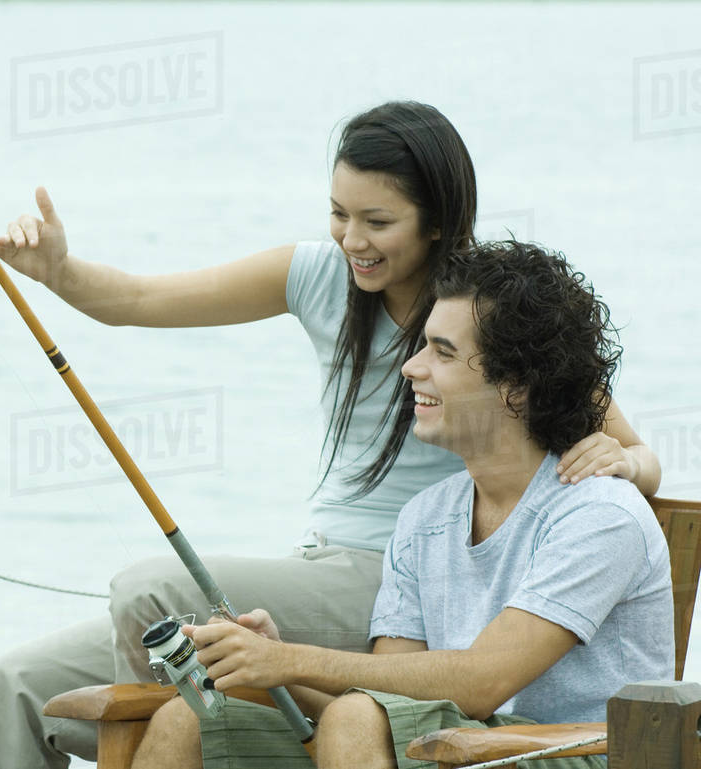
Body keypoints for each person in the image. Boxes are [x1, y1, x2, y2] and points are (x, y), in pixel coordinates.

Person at [0, 102, 663, 769]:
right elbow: (139, 298)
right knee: (22, 680)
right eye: (338, 213)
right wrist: (58, 272)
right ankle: (173, 706)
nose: (353, 238)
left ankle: (149, 707)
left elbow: (601, 430)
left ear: (436, 223)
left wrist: (628, 461)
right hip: (343, 579)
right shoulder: (427, 508)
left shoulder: (500, 321)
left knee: (157, 596)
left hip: (384, 598)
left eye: (377, 220)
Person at [131, 240, 675, 769]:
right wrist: (273, 664)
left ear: (515, 386)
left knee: (357, 720)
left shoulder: (600, 514)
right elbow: (382, 696)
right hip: (455, 746)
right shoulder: (425, 519)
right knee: (190, 723)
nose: (410, 368)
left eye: (441, 352)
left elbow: (483, 683)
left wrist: (290, 660)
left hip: (579, 752)